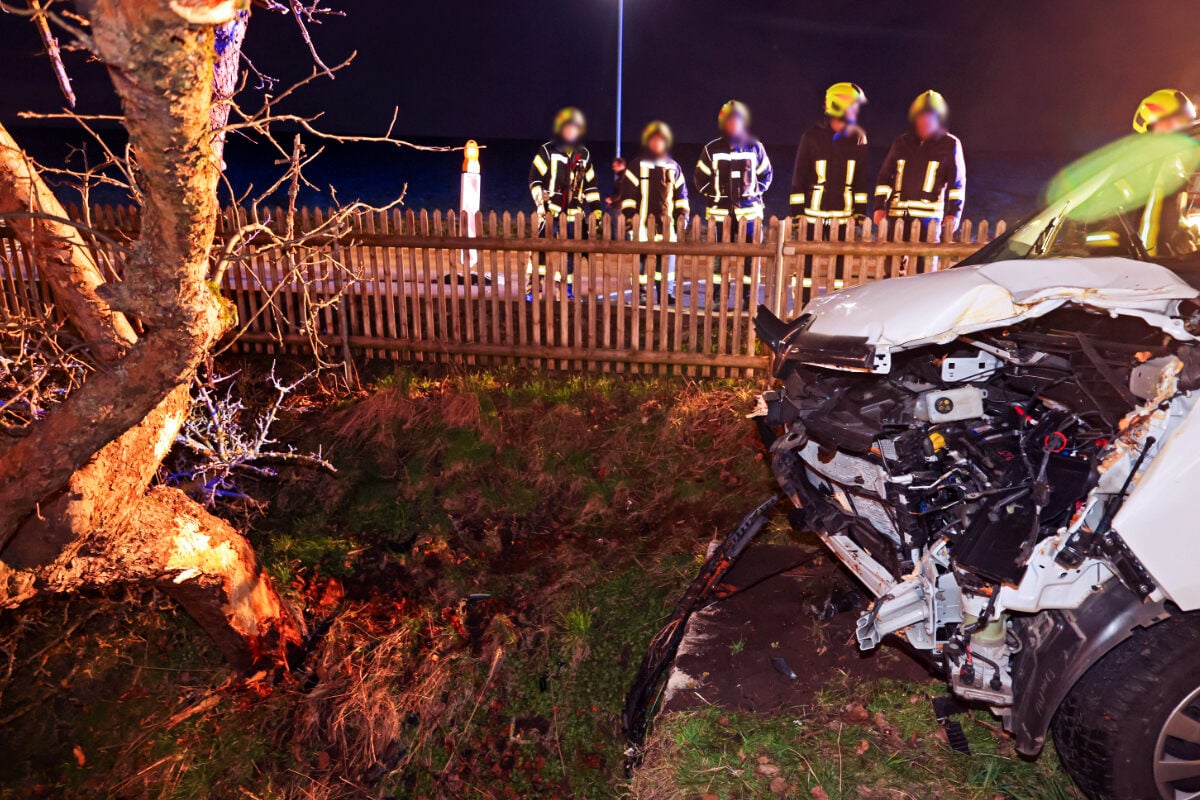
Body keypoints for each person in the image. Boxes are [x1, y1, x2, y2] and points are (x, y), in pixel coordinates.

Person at [874, 90, 965, 273]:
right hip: (898, 216)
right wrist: (878, 207)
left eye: (930, 116)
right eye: (921, 116)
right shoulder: (901, 142)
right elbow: (885, 177)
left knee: (923, 273)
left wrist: (954, 213)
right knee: (890, 271)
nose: (924, 121)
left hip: (928, 221)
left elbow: (957, 184)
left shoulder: (950, 144)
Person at [695, 100, 772, 306]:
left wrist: (753, 194)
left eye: (736, 121)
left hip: (750, 214)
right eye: (729, 121)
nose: (733, 125)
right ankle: (719, 298)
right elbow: (700, 180)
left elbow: (766, 175)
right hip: (720, 215)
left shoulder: (755, 147)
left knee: (750, 259)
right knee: (720, 259)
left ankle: (749, 299)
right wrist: (715, 196)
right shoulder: (711, 149)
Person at [527, 107, 603, 300]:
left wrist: (597, 212)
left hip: (573, 216)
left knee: (570, 259)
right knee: (539, 254)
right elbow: (534, 179)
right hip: (549, 212)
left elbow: (591, 187)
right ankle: (533, 291)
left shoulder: (584, 155)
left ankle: (566, 292)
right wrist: (540, 203)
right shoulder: (547, 150)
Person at [617, 121, 690, 304]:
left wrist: (683, 218)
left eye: (661, 140)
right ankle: (641, 294)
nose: (657, 143)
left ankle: (666, 294)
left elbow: (682, 197)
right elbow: (628, 199)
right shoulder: (636, 166)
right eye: (654, 140)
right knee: (641, 264)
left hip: (667, 227)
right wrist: (630, 223)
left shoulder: (674, 167)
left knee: (667, 264)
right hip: (641, 226)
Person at [1133, 89, 1200, 255]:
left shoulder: (1174, 165)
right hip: (1151, 268)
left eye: (1188, 122)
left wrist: (1185, 232)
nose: (1185, 129)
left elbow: (1169, 216)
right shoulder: (1148, 165)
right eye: (1178, 122)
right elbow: (1149, 222)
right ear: (1154, 124)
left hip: (1163, 265)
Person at [790, 82, 869, 223]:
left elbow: (861, 179)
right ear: (839, 105)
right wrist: (797, 215)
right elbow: (799, 178)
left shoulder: (858, 137)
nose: (857, 111)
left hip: (844, 219)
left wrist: (860, 212)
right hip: (812, 218)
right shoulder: (811, 137)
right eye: (854, 106)